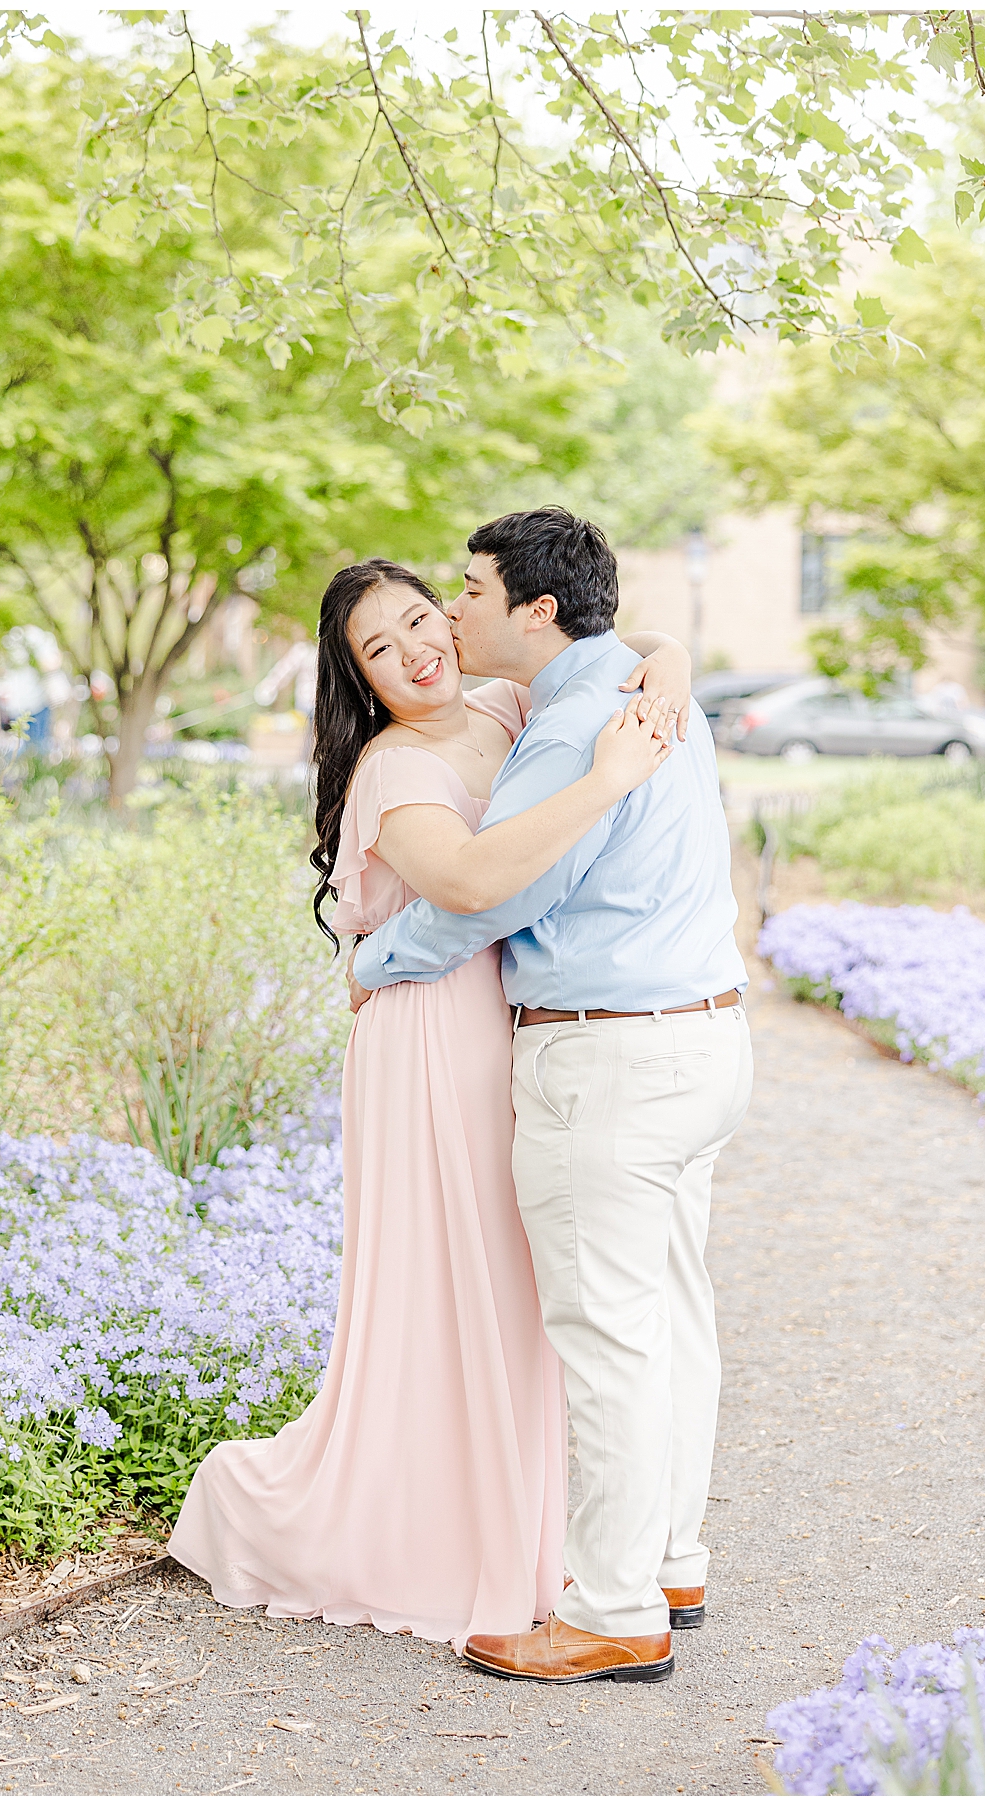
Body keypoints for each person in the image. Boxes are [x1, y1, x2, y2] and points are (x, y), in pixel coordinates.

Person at [167, 555, 692, 1651]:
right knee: (454, 1283)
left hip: (506, 1024)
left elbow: (633, 648)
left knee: (523, 1285)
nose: (417, 651)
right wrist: (612, 776)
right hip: (425, 1033)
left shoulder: (503, 702)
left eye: (422, 619)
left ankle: (530, 1532)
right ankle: (429, 1535)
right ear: (361, 681)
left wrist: (671, 678)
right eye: (381, 650)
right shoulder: (392, 770)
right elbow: (461, 885)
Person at [351, 509, 752, 1685]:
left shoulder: (575, 723)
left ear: (536, 610)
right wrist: (667, 653)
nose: (453, 610)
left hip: (611, 1063)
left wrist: (371, 960)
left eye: (468, 590)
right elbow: (657, 647)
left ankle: (612, 1610)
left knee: (608, 1338)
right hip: (702, 1043)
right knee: (671, 1316)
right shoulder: (637, 682)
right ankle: (670, 1560)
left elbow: (488, 896)